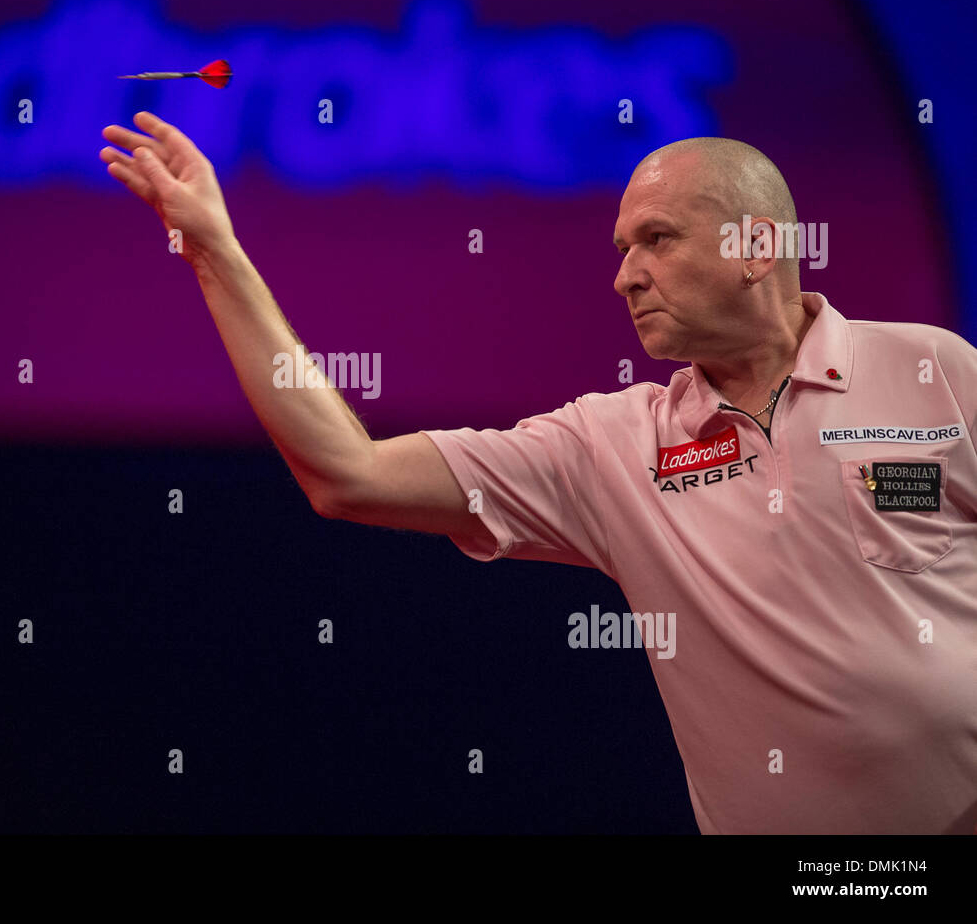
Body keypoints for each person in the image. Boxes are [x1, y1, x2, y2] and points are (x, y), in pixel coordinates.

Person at [99, 114, 977, 834]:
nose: (623, 275)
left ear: (757, 246)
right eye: (623, 246)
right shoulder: (610, 448)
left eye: (657, 240)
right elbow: (347, 473)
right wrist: (213, 248)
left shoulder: (938, 370)